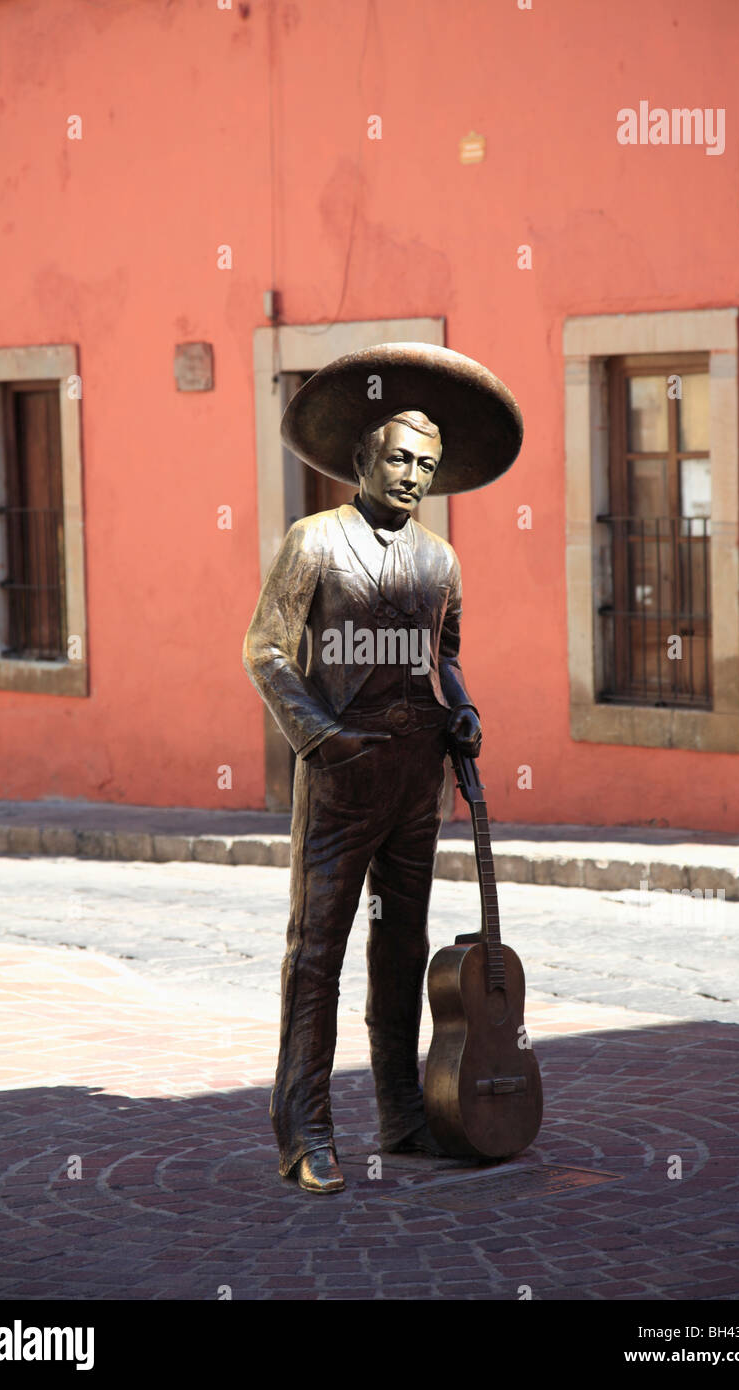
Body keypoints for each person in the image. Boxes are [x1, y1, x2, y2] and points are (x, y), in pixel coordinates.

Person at [243, 343, 522, 1192]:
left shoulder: (442, 561)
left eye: (426, 466)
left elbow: (449, 657)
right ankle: (305, 1127)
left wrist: (464, 712)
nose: (411, 475)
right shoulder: (313, 542)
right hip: (340, 773)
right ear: (363, 458)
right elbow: (265, 650)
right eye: (398, 457)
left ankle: (404, 1112)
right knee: (316, 950)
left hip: (416, 780)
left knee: (404, 951)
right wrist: (320, 735)